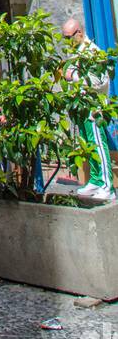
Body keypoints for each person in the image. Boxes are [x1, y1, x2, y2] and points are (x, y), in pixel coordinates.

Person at [62, 17, 115, 204]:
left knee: (98, 144)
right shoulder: (76, 52)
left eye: (69, 37)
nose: (66, 41)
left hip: (94, 106)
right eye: (64, 37)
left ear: (80, 32)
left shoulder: (93, 52)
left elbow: (99, 81)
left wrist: (74, 76)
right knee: (88, 143)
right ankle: (95, 179)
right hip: (81, 105)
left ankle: (108, 186)